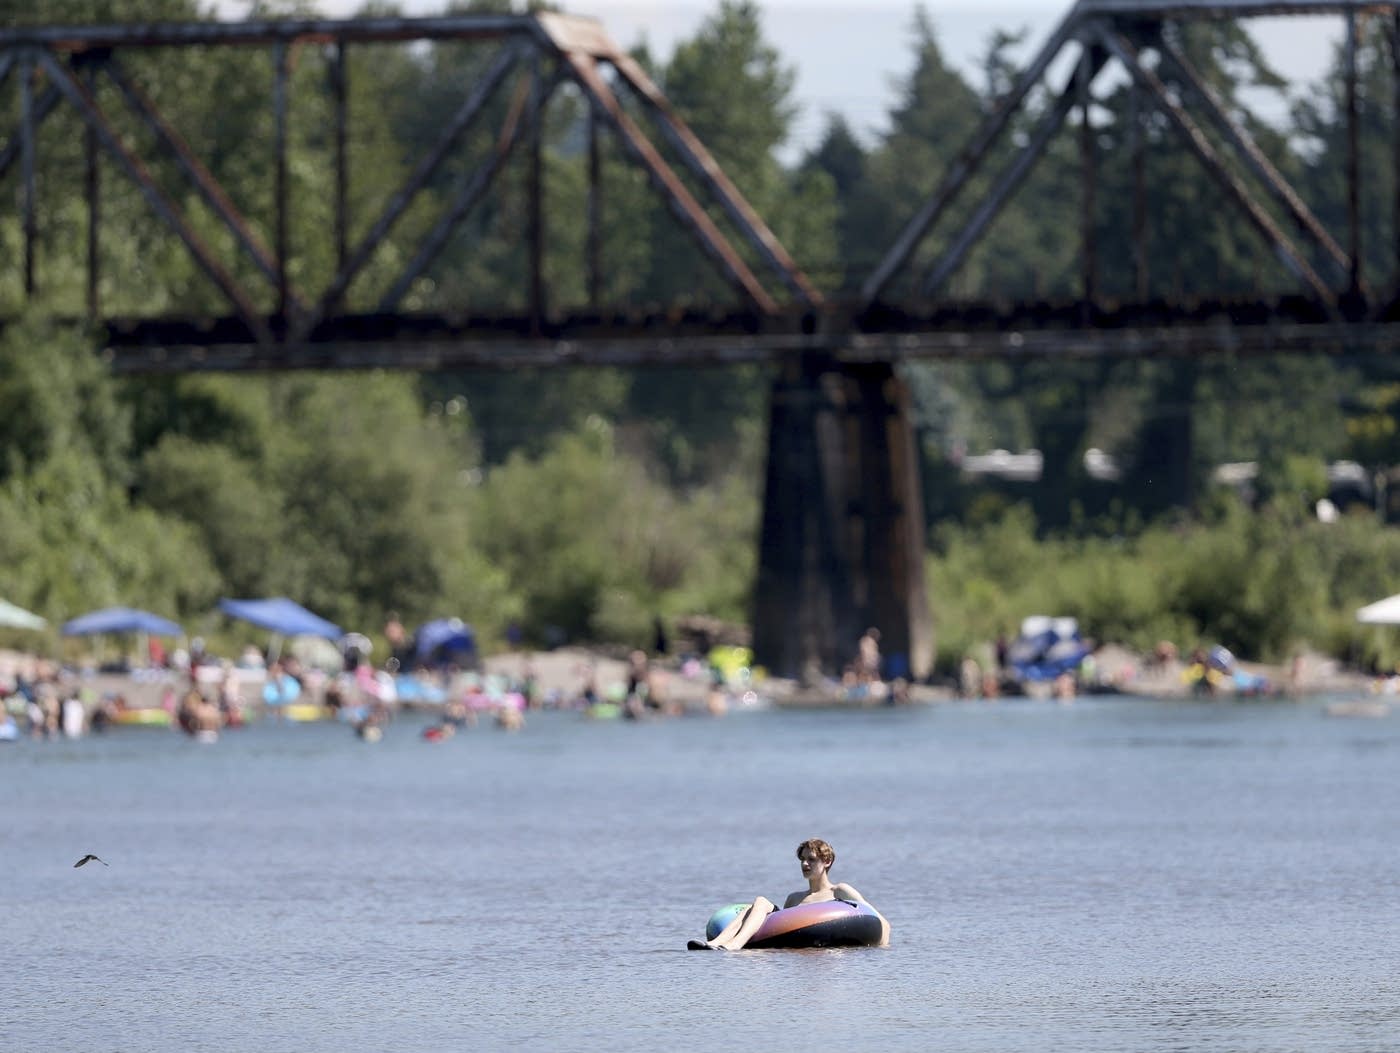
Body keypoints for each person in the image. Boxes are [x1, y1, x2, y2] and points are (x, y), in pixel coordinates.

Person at [690, 838, 890, 950]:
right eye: (802, 859)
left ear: (827, 862)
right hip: (795, 947)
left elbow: (873, 916)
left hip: (825, 949)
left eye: (811, 859)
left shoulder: (840, 890)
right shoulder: (794, 898)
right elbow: (780, 930)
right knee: (759, 903)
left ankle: (733, 945)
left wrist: (882, 942)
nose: (805, 864)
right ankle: (717, 943)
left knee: (760, 904)